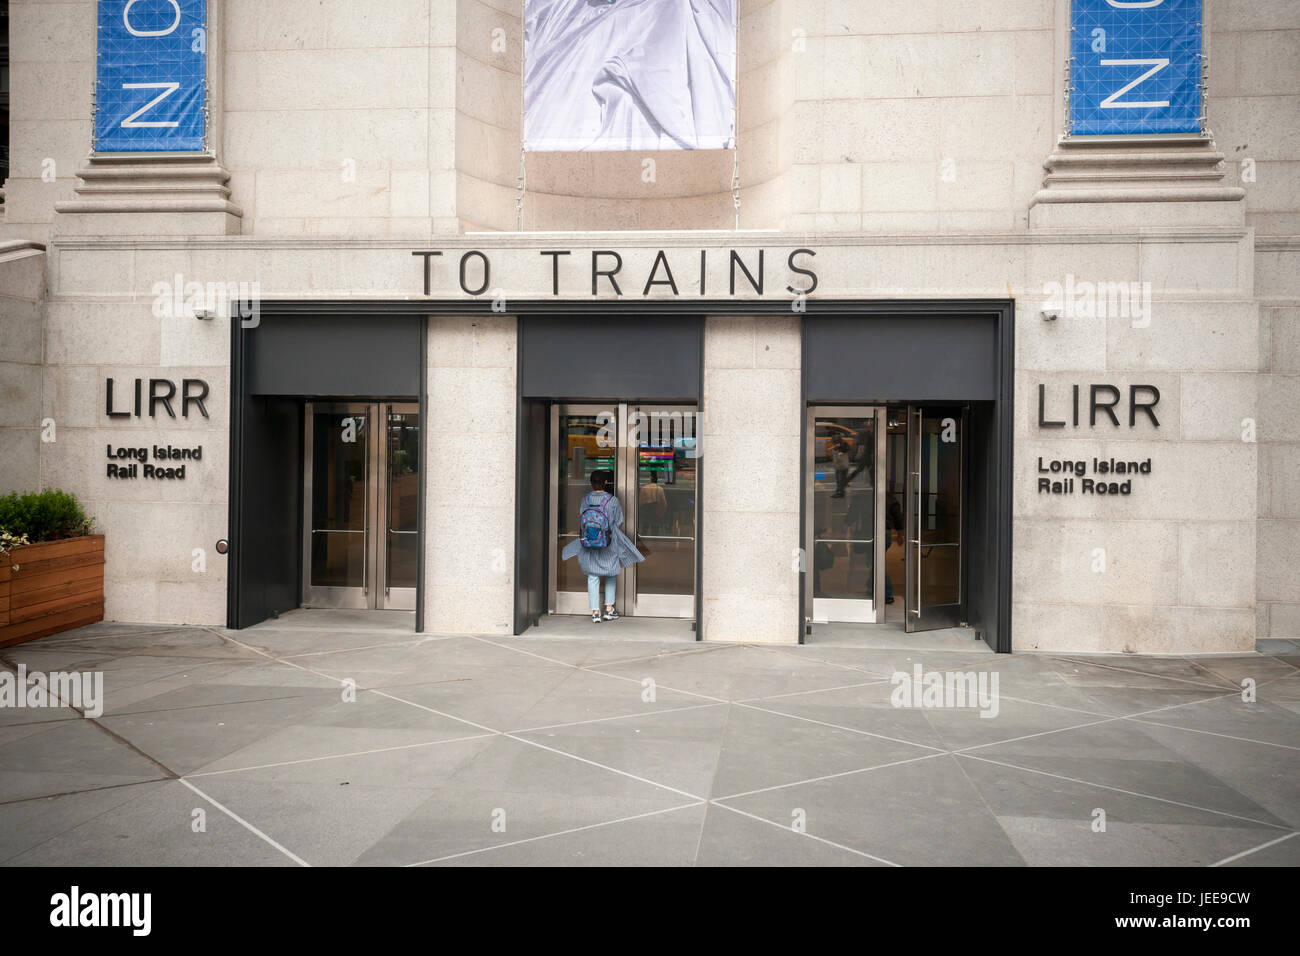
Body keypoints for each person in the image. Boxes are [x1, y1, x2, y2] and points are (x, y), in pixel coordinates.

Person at [560, 469, 644, 623]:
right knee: (611, 574)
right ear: (605, 483)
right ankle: (609, 610)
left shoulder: (585, 499)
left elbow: (582, 518)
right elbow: (619, 521)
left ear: (591, 484)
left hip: (588, 543)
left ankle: (595, 612)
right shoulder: (612, 501)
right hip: (608, 542)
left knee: (593, 576)